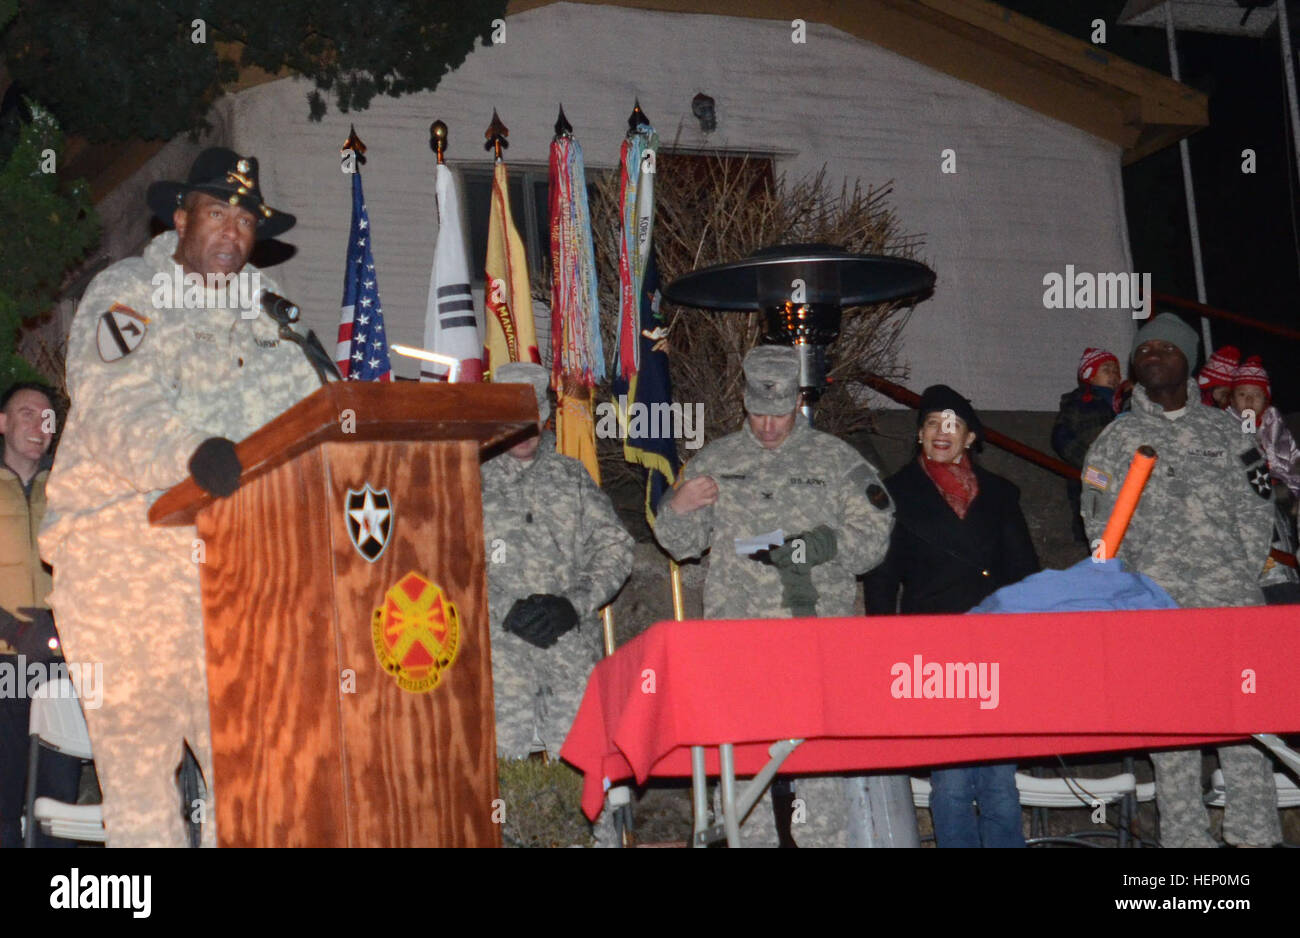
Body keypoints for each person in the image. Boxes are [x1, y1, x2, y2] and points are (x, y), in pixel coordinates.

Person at [39, 148, 321, 847]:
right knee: (141, 790)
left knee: (253, 774)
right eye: (218, 212)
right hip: (125, 562)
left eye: (246, 220)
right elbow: (114, 404)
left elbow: (316, 411)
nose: (233, 231)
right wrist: (191, 457)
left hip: (237, 566)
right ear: (180, 217)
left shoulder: (272, 313)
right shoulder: (128, 290)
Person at [653, 345, 896, 847]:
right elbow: (681, 545)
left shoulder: (837, 461)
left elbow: (873, 542)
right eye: (759, 414)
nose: (768, 426)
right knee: (741, 775)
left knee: (820, 776)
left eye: (779, 415)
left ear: (797, 403)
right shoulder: (717, 460)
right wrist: (675, 508)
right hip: (738, 648)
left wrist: (815, 545)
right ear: (744, 403)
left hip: (814, 645)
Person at [1081, 312, 1280, 848]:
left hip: (1229, 601)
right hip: (1156, 603)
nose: (1153, 355)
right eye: (1145, 349)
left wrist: (1236, 568)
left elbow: (1259, 507)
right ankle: (1186, 845)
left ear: (1187, 362)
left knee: (1248, 724)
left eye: (1167, 348)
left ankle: (1256, 836)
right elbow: (1097, 521)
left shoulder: (1228, 433)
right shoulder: (1114, 440)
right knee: (1172, 731)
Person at [865, 384, 1039, 847]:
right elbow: (882, 580)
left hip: (996, 648)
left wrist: (1029, 640)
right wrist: (886, 649)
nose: (942, 432)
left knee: (1000, 784)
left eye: (953, 424)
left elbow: (1025, 573)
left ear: (971, 439)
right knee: (954, 783)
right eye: (931, 422)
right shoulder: (895, 495)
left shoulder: (1001, 495)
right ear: (919, 435)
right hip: (933, 651)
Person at [481, 362, 634, 763]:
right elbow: (446, 563)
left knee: (585, 775)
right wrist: (502, 608)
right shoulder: (467, 480)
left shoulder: (571, 478)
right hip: (499, 659)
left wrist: (573, 603)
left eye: (533, 418)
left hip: (569, 656)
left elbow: (615, 547)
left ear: (546, 416)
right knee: (501, 788)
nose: (525, 430)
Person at [0, 382, 80, 848]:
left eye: (48, 416)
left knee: (57, 795)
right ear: (4, 424)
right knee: (5, 797)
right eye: (26, 413)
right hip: (4, 662)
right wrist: (13, 627)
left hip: (62, 664)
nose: (39, 424)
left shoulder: (68, 492)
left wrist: (57, 626)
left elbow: (97, 569)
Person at [1226, 356, 1300, 604]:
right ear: (1232, 398)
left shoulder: (1274, 424)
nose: (1248, 400)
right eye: (1242, 394)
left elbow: (1291, 464)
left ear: (1266, 398)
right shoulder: (1222, 427)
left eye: (1255, 394)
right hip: (1244, 509)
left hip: (1279, 506)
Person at [1052, 348, 1120, 545]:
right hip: (1092, 471)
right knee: (1095, 515)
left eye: (1116, 370)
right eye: (1106, 369)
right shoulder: (1079, 402)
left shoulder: (1123, 403)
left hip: (1118, 473)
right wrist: (1089, 462)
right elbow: (1061, 438)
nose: (1114, 375)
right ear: (1089, 374)